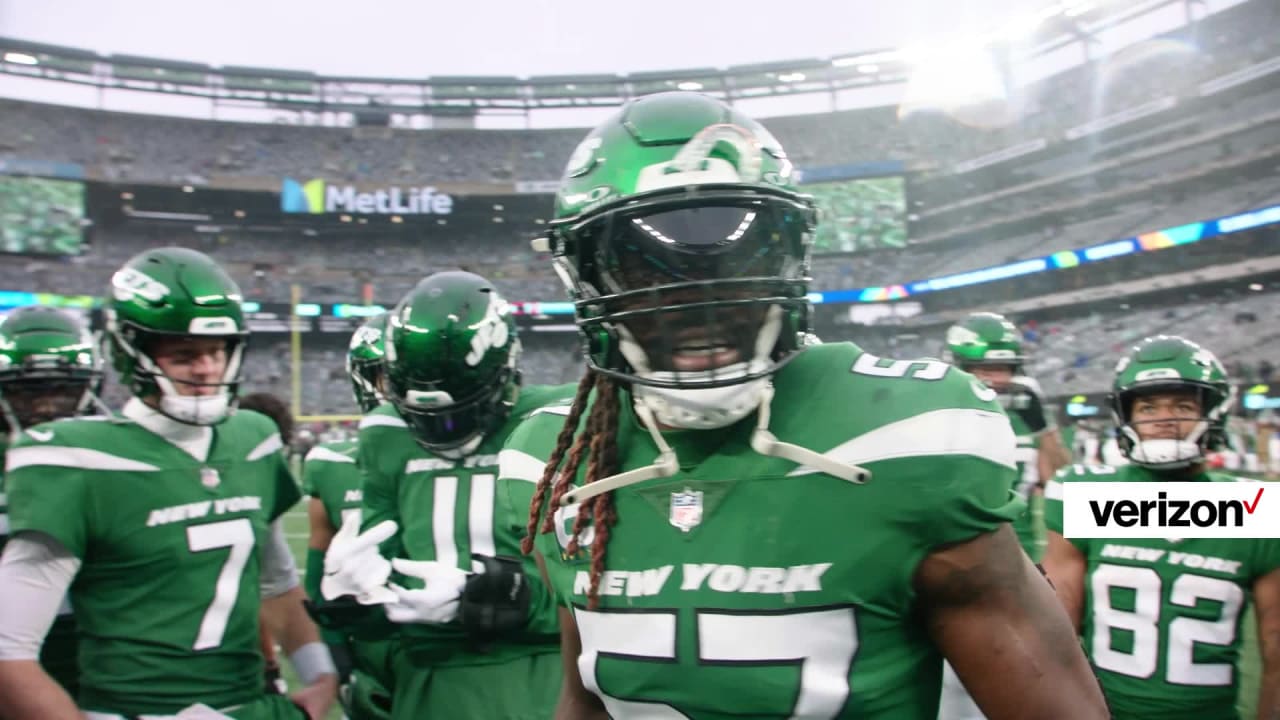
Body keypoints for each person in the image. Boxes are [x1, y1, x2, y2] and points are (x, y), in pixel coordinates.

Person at [508, 91, 1109, 719]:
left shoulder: (911, 437)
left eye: (736, 260)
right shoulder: (549, 463)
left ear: (791, 256)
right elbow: (585, 694)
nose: (696, 302)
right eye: (642, 270)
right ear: (585, 279)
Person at [0, 247, 337, 720]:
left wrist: (320, 675)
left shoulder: (252, 439)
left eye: (216, 352)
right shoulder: (76, 458)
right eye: (184, 355)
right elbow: (8, 646)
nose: (205, 369)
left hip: (254, 708)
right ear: (131, 352)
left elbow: (277, 582)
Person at [320, 271, 574, 719]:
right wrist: (362, 603)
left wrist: (513, 599)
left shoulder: (561, 418)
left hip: (545, 674)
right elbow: (390, 566)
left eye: (460, 413)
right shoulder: (385, 432)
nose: (441, 431)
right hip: (428, 676)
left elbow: (616, 587)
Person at [1043, 335, 1280, 719]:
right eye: (1148, 406)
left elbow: (1276, 649)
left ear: (1214, 412)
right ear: (1127, 416)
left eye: (1183, 406)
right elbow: (1057, 632)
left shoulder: (1257, 508)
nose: (1164, 419)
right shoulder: (1082, 491)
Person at [0, 305, 105, 699]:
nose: (46, 406)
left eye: (63, 389)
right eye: (29, 391)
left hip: (97, 652)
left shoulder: (118, 457)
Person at [299, 314, 394, 719]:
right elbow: (316, 577)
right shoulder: (330, 466)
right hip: (372, 650)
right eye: (390, 376)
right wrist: (333, 651)